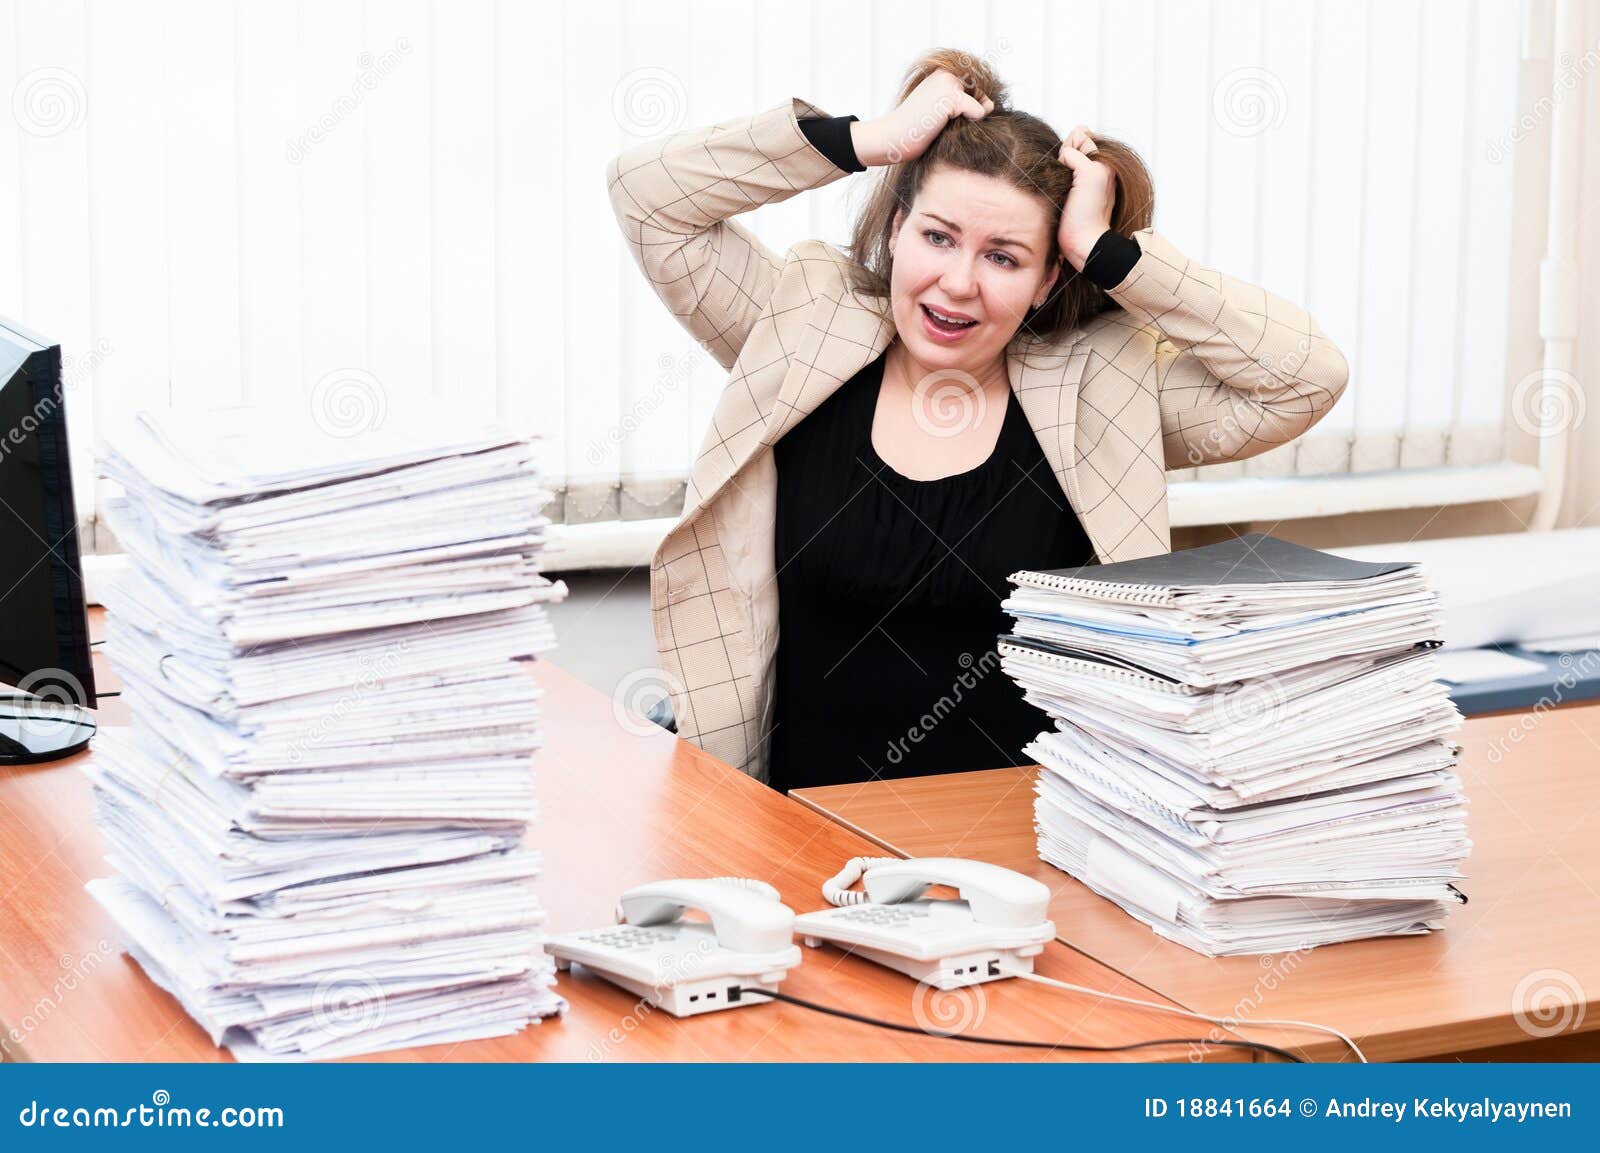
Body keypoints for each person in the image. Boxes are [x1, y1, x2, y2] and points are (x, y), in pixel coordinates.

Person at [607, 48, 1349, 790]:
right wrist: (872, 140)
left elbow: (1303, 378)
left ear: (1047, 279)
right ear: (896, 230)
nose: (958, 284)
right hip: (797, 834)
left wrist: (1108, 252)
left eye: (1003, 257)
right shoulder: (803, 333)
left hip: (1022, 858)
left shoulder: (1101, 390)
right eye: (937, 236)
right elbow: (647, 197)